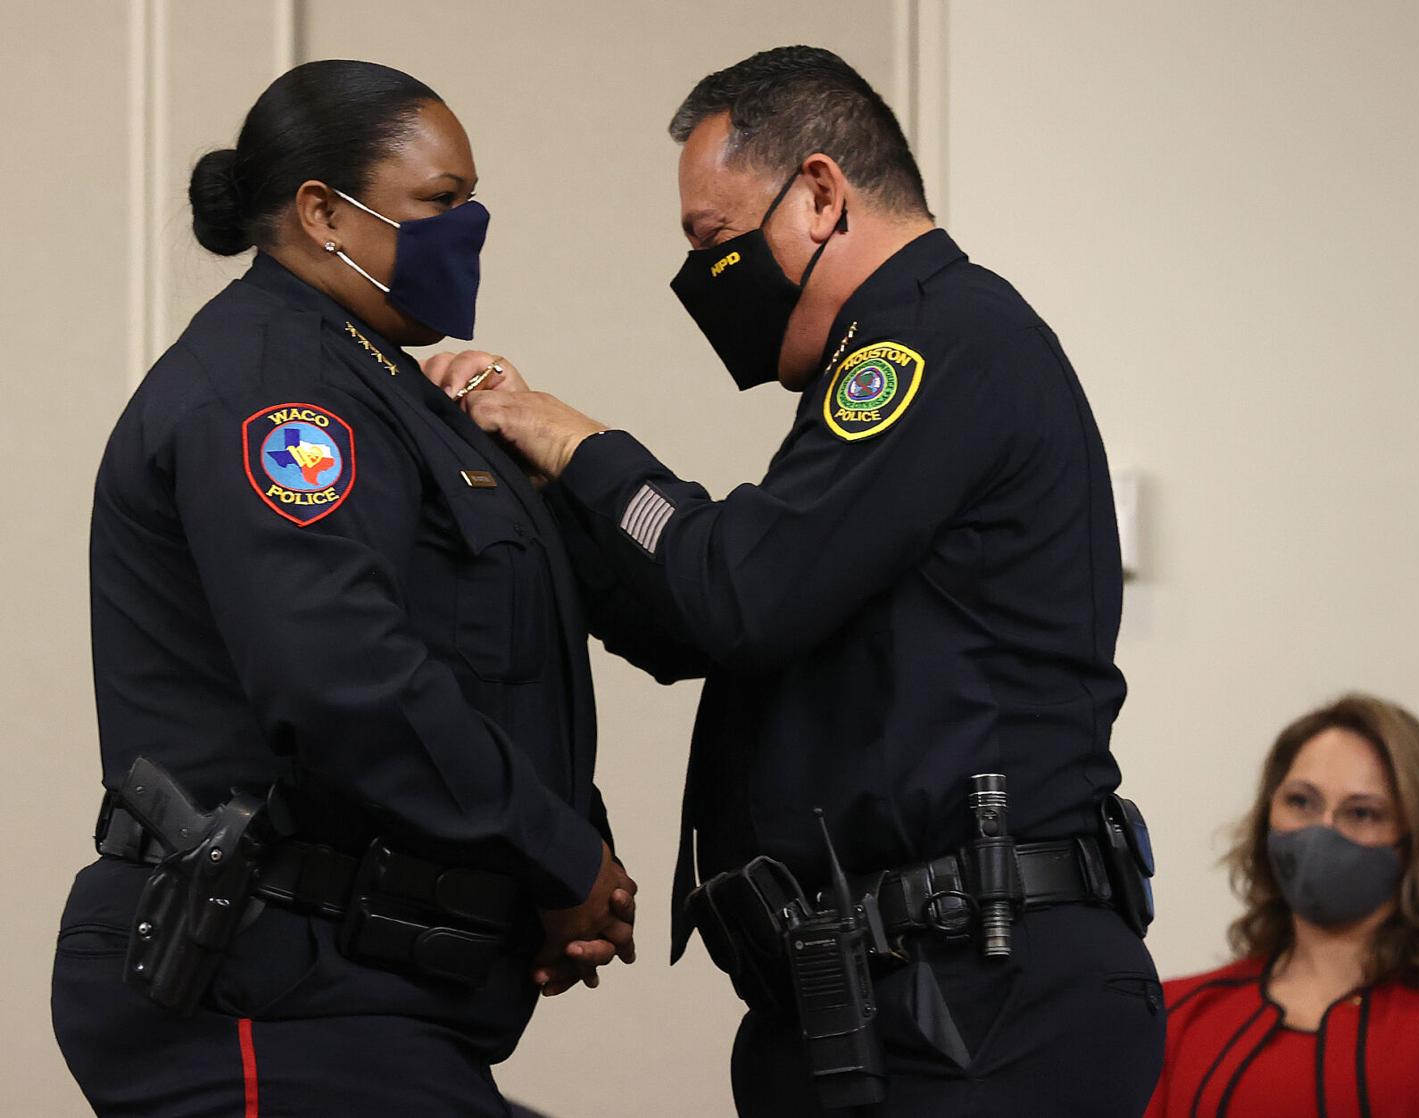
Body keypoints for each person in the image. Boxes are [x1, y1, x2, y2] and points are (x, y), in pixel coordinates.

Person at [442, 45, 1163, 1116]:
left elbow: (739, 588)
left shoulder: (937, 341)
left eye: (716, 239)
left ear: (820, 194)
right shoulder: (881, 364)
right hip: (888, 995)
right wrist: (521, 492)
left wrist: (571, 440)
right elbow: (697, 617)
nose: (704, 278)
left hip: (977, 996)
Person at [52, 60, 636, 1117]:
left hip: (362, 995)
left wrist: (551, 864)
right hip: (260, 982)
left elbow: (488, 661)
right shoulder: (281, 389)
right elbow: (344, 676)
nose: (468, 229)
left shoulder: (388, 389)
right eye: (439, 203)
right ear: (322, 211)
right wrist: (556, 853)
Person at [1147, 694, 1419, 1117]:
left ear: (1416, 835)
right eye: (1301, 802)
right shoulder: (1180, 1018)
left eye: (1362, 812)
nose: (1323, 832)